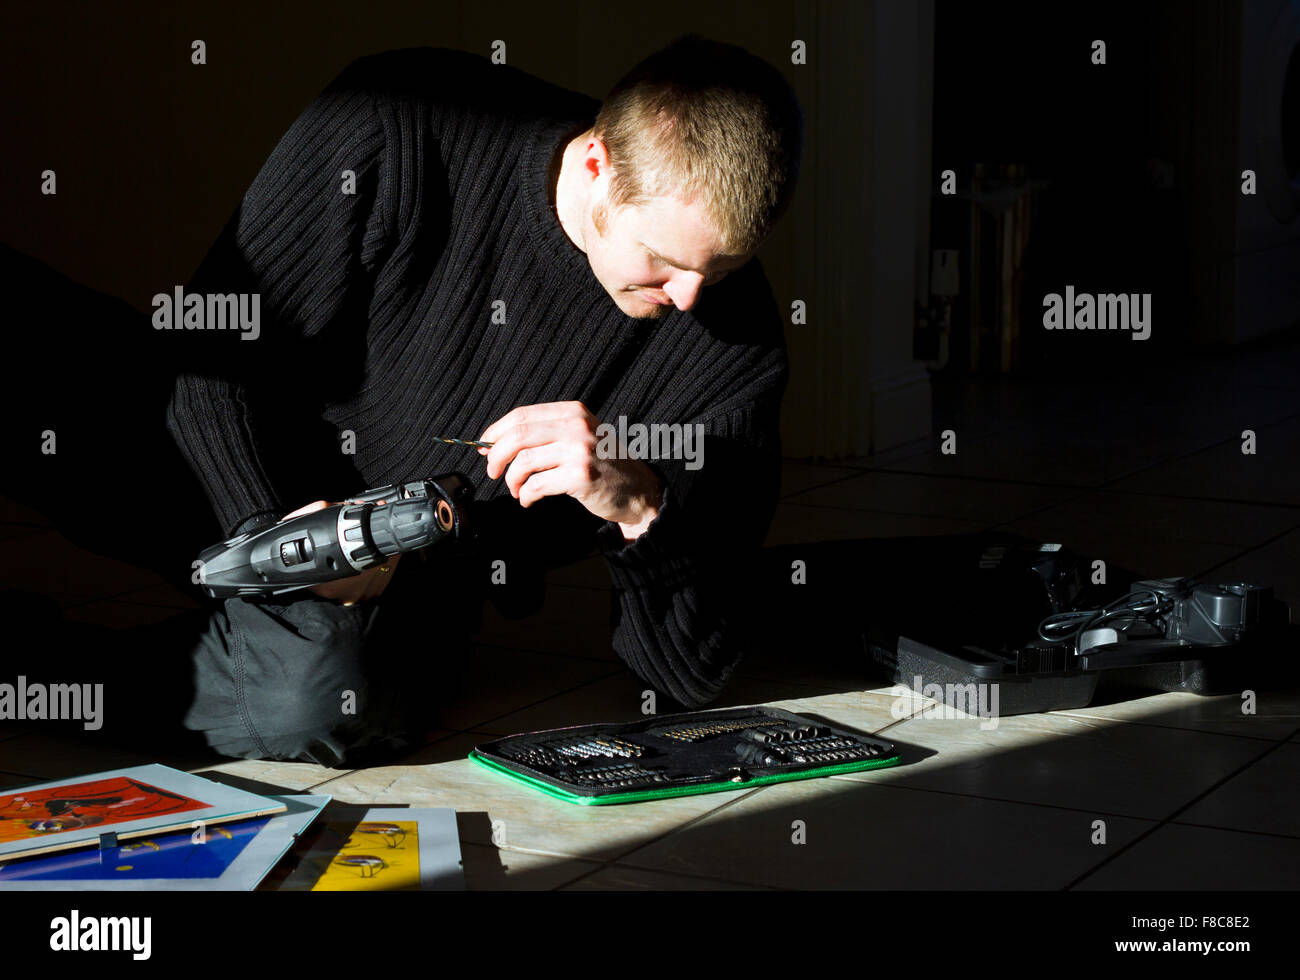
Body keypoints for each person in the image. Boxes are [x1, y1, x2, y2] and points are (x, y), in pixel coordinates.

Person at [6, 35, 803, 766]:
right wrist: (277, 544)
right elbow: (213, 360)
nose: (693, 297)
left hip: (404, 585)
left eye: (724, 269)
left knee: (312, 702)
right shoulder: (396, 124)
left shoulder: (731, 342)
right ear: (596, 162)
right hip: (229, 465)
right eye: (663, 260)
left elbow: (694, 674)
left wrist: (641, 507)